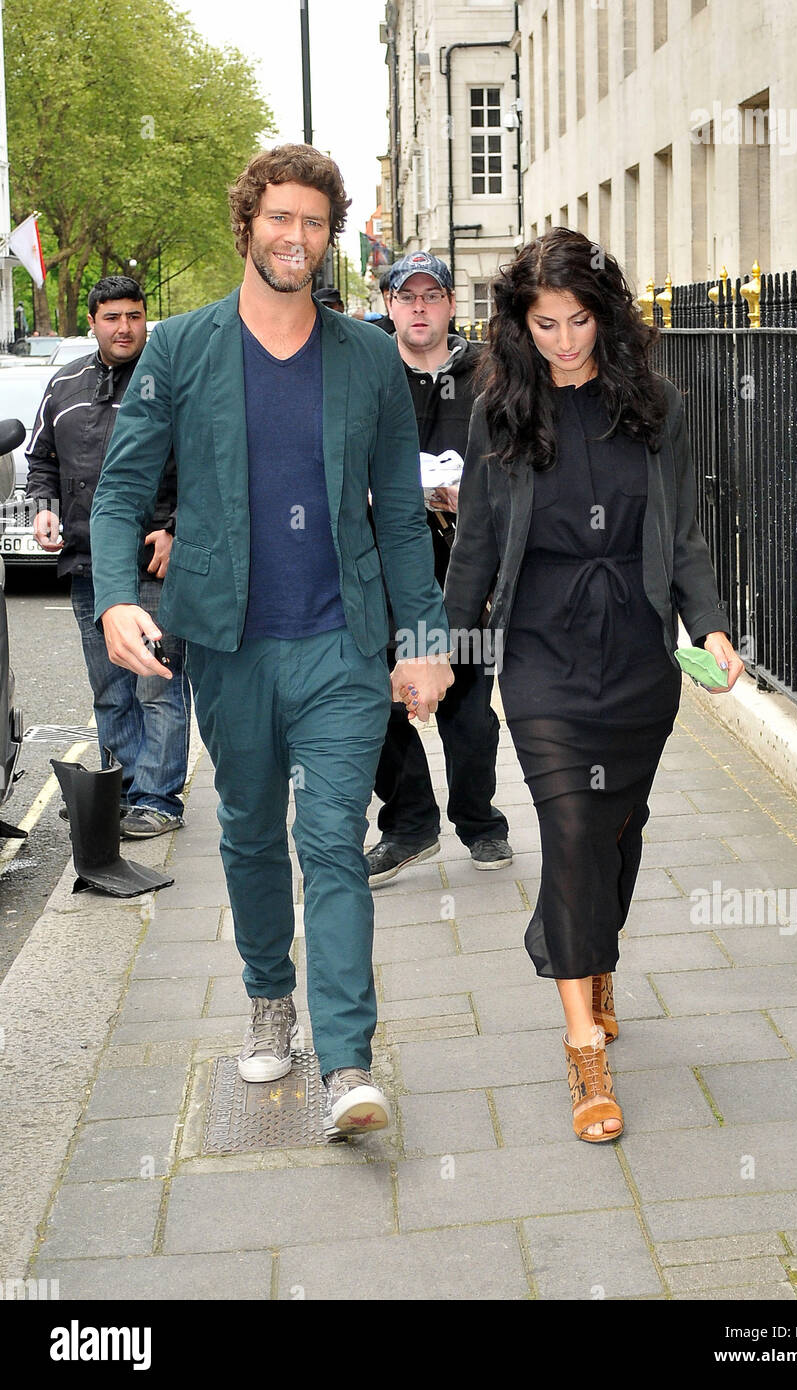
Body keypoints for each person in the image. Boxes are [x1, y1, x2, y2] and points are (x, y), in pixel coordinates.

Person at [90, 145, 453, 1137]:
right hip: (229, 645)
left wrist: (419, 639)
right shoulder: (182, 350)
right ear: (248, 224)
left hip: (341, 644)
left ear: (329, 236)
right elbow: (123, 491)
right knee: (249, 833)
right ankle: (267, 998)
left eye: (314, 222)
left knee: (329, 839)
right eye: (279, 218)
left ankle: (345, 1063)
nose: (296, 238)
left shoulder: (368, 357)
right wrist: (119, 595)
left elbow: (397, 520)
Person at [442, 229, 744, 1143]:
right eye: (545, 322)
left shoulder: (654, 406)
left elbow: (683, 534)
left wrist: (712, 629)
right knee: (571, 826)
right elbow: (478, 546)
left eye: (578, 320)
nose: (563, 339)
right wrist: (442, 649)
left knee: (615, 830)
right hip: (540, 650)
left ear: (603, 318)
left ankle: (586, 948)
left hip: (637, 650)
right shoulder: (499, 412)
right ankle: (583, 1049)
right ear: (519, 324)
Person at [365, 250, 512, 885]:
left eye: (431, 296)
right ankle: (407, 825)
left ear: (451, 304)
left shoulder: (490, 373)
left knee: (469, 709)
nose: (419, 307)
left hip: (465, 566)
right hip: (383, 563)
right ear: (390, 305)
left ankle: (479, 822)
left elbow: (520, 458)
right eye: (407, 297)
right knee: (378, 702)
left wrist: (479, 495)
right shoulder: (369, 370)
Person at [25, 275, 190, 839]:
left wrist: (173, 528)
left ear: (147, 318)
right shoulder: (63, 384)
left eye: (135, 316)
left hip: (150, 561)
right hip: (86, 563)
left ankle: (159, 799)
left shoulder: (172, 381)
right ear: (91, 322)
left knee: (157, 683)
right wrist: (44, 508)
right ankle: (119, 791)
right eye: (112, 317)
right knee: (110, 688)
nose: (125, 327)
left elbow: (203, 467)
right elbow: (42, 462)